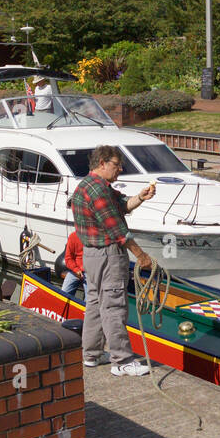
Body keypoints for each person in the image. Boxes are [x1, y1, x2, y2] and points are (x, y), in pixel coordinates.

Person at [68, 145, 156, 375]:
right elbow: (118, 230)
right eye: (116, 164)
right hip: (108, 254)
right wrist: (141, 255)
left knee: (95, 303)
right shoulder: (98, 191)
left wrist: (140, 197)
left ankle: (91, 355)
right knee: (114, 305)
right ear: (102, 163)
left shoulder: (88, 186)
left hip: (91, 255)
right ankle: (122, 361)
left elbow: (120, 207)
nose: (120, 169)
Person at [61, 229, 86, 301]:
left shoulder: (97, 238)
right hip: (75, 271)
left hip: (90, 272)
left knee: (90, 301)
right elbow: (68, 258)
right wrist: (76, 269)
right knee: (63, 295)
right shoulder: (73, 236)